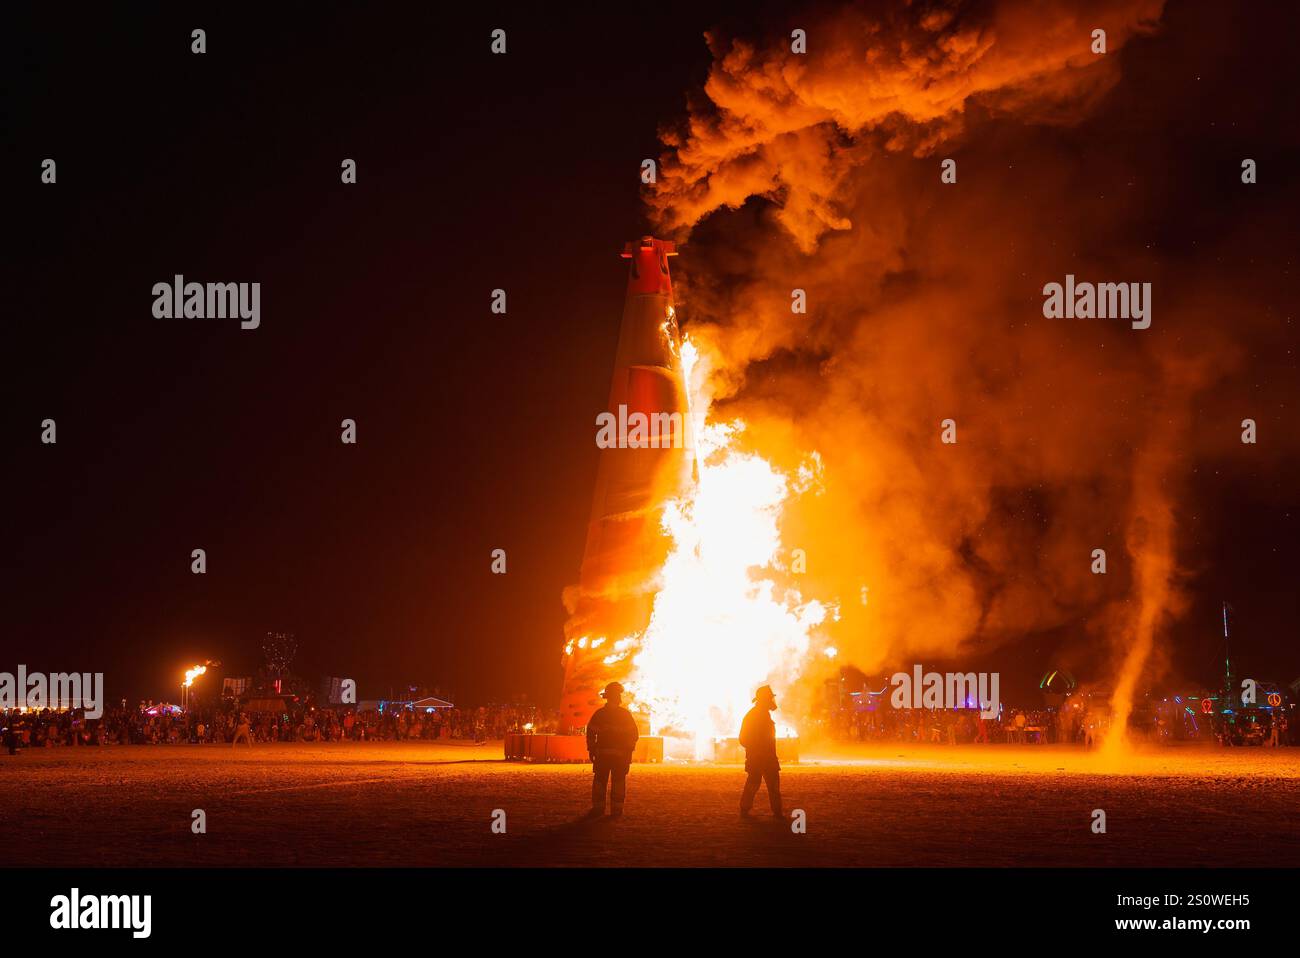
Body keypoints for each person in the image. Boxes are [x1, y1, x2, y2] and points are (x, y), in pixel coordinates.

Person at [586, 682, 639, 818]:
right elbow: (633, 735)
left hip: (602, 756)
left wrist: (591, 750)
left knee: (600, 781)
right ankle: (616, 810)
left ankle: (598, 809)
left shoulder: (600, 714)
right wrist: (628, 751)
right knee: (618, 782)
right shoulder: (625, 715)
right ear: (616, 697)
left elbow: (590, 733)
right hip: (620, 757)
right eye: (618, 695)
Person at [739, 685, 784, 821]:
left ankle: (776, 812)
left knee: (772, 785)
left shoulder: (763, 714)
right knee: (755, 784)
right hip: (759, 758)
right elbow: (743, 739)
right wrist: (757, 751)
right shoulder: (753, 715)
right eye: (769, 698)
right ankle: (745, 809)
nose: (772, 700)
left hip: (767, 758)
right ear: (764, 699)